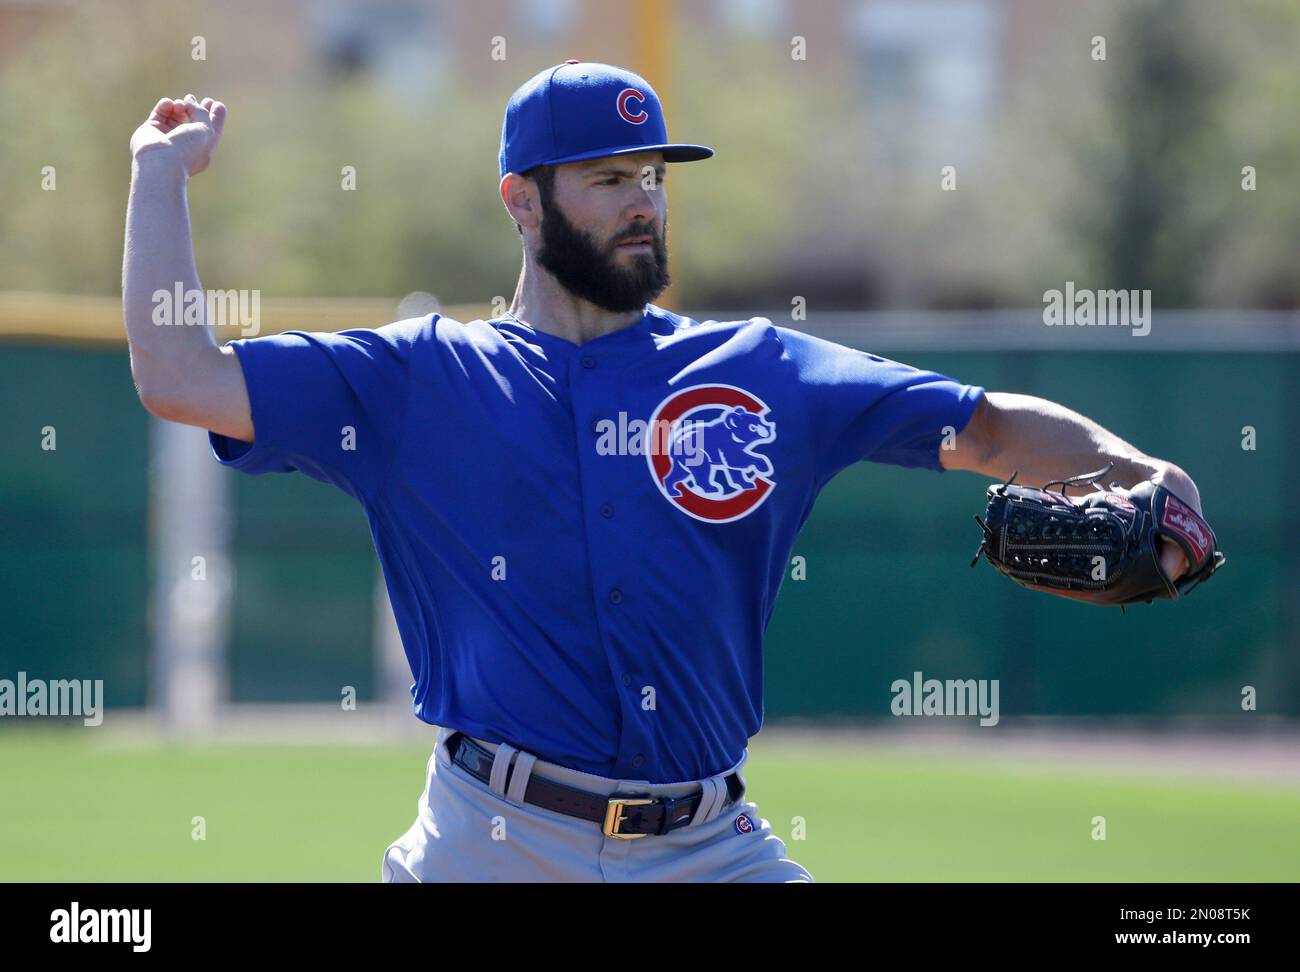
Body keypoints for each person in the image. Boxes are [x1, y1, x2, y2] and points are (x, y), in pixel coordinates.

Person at [121, 62, 1203, 882]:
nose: (645, 200)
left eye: (653, 177)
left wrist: (1130, 460)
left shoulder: (762, 369)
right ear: (522, 200)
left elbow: (988, 429)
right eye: (608, 179)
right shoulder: (421, 380)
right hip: (493, 842)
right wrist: (157, 177)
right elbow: (178, 372)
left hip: (708, 846)